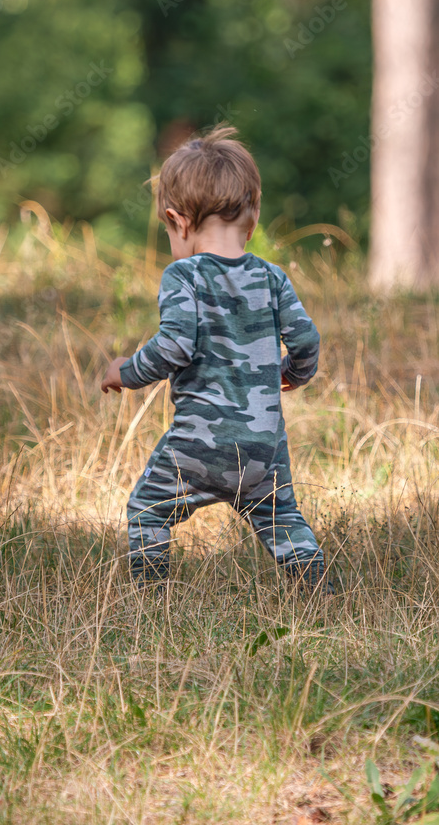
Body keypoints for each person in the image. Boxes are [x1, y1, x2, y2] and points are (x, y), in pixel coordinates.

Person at [101, 125, 334, 595]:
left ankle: (151, 600)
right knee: (282, 517)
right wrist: (293, 375)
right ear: (252, 216)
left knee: (148, 508)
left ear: (177, 220)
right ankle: (323, 594)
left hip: (200, 442)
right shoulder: (272, 277)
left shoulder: (182, 275)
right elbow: (307, 339)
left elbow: (174, 345)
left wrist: (124, 372)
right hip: (265, 444)